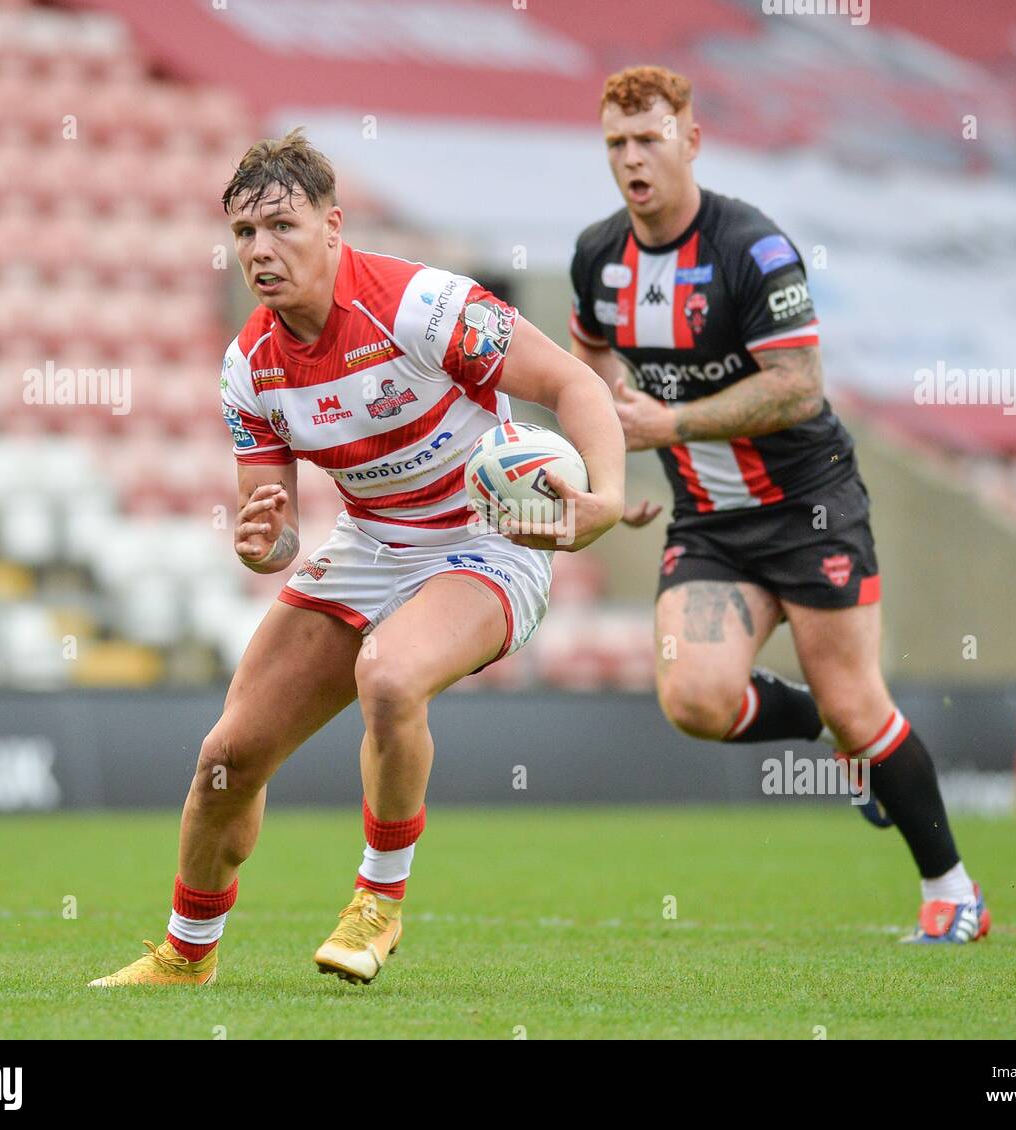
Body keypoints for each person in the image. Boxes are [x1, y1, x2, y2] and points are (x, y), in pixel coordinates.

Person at [90, 128, 625, 987]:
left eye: (284, 228)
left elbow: (576, 384)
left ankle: (377, 902)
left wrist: (600, 494)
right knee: (229, 758)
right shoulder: (250, 366)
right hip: (373, 543)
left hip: (486, 540)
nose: (261, 251)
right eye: (244, 235)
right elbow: (279, 531)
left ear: (333, 226)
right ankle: (185, 957)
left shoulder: (423, 304)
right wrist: (265, 543)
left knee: (388, 676)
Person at [567, 66, 988, 944]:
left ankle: (953, 892)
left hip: (808, 507)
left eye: (650, 138)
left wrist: (667, 422)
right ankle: (837, 742)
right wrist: (615, 467)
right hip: (707, 522)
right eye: (616, 143)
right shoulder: (597, 255)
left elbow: (798, 388)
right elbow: (588, 367)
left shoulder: (752, 249)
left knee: (860, 705)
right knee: (695, 699)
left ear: (691, 138)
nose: (632, 159)